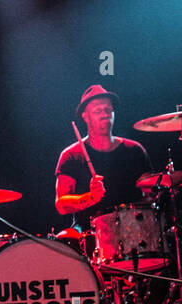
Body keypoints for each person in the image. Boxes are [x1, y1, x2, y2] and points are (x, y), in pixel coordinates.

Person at [55, 84, 150, 223]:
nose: (105, 115)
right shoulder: (71, 155)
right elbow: (61, 205)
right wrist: (90, 197)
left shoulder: (134, 150)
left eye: (108, 110)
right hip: (88, 232)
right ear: (85, 117)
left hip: (133, 226)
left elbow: (150, 192)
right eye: (98, 111)